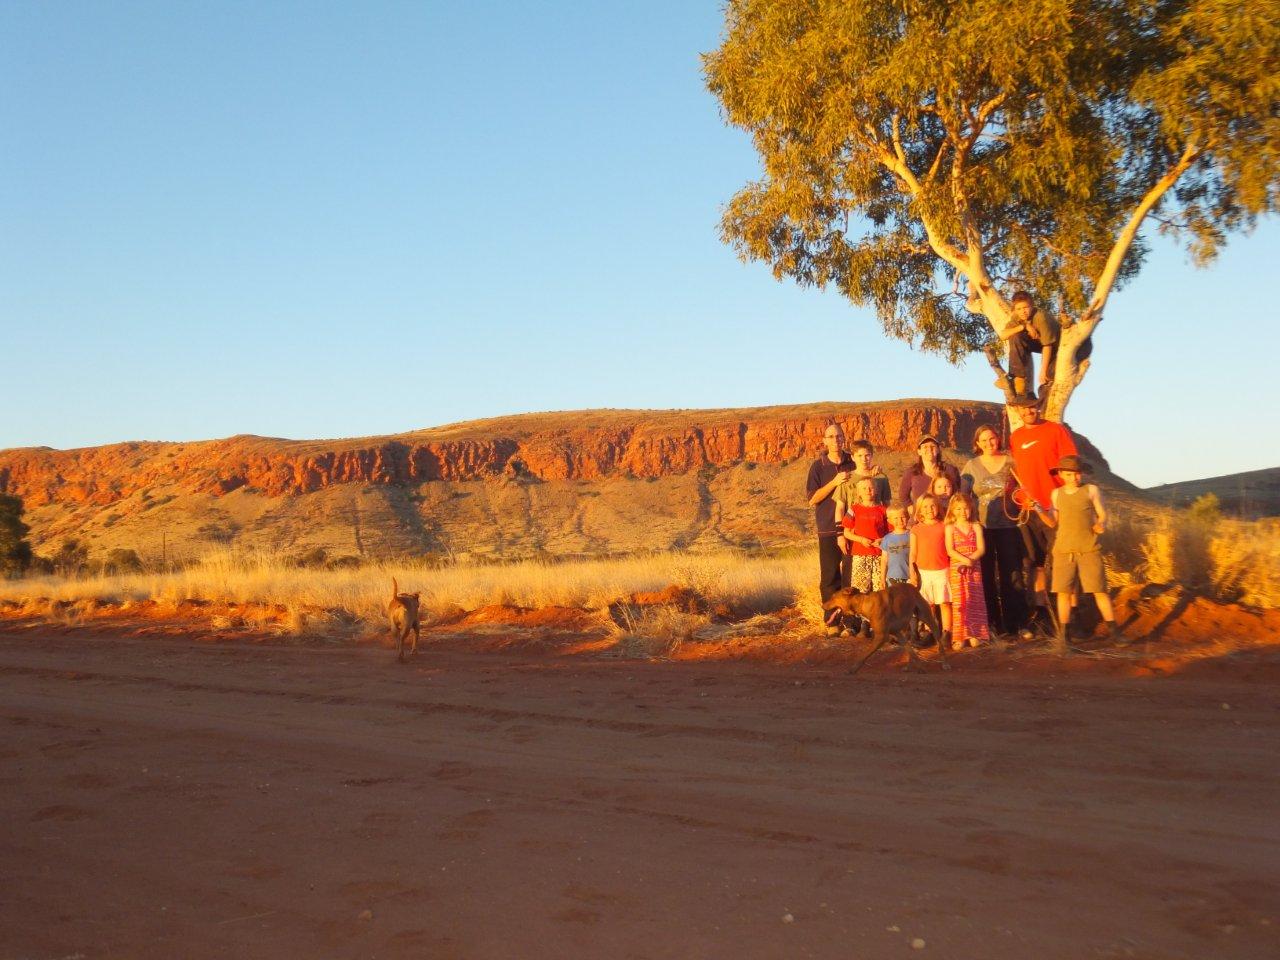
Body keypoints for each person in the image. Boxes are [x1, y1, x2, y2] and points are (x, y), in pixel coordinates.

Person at [1008, 394, 1078, 627]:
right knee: (1035, 564)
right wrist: (1019, 497)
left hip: (1055, 508)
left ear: (1038, 406)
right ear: (1017, 411)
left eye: (1033, 407)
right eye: (1024, 408)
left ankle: (1073, 615)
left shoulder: (1056, 430)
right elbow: (1017, 475)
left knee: (1065, 561)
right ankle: (1042, 613)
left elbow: (1071, 466)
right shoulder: (1015, 438)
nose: (1029, 411)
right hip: (1030, 511)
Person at [1039, 456, 1118, 653]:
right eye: (1069, 474)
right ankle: (1064, 637)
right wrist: (1038, 509)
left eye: (1076, 473)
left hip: (1088, 548)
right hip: (1063, 550)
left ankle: (1115, 632)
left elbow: (1103, 514)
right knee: (1063, 593)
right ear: (1060, 475)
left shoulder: (1091, 490)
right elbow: (1053, 522)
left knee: (1100, 590)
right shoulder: (1056, 494)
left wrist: (1102, 524)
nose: (1073, 477)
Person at [962, 425, 1028, 636]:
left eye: (991, 438)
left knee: (1013, 574)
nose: (988, 443)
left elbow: (1024, 489)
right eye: (983, 440)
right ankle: (992, 624)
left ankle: (1017, 623)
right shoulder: (971, 466)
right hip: (982, 528)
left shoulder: (1012, 463)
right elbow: (964, 498)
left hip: (1010, 526)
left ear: (997, 439)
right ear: (977, 444)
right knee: (986, 577)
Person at [996, 291, 1094, 400]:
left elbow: (1047, 346)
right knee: (1015, 337)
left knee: (1048, 375)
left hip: (1070, 346)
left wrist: (1042, 372)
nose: (1022, 311)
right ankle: (1020, 384)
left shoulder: (1040, 317)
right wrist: (1024, 327)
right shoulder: (1017, 317)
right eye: (1019, 309)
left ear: (1032, 306)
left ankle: (1042, 400)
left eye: (1025, 307)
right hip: (1048, 345)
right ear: (1015, 309)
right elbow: (1003, 335)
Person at [806, 423, 855, 632]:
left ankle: (851, 623)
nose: (836, 440)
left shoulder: (853, 463)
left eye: (839, 436)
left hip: (853, 530)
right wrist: (834, 482)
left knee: (851, 577)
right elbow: (812, 499)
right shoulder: (818, 467)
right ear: (824, 441)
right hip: (827, 529)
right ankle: (832, 623)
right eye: (831, 436)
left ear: (844, 439)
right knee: (829, 578)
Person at [945, 493, 989, 649]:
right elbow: (950, 550)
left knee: (974, 599)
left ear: (971, 509)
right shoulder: (950, 528)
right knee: (960, 601)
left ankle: (975, 633)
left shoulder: (976, 526)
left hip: (974, 569)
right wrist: (965, 561)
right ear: (952, 510)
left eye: (965, 508)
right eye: (958, 509)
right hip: (958, 569)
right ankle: (959, 636)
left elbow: (981, 548)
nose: (962, 512)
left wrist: (971, 560)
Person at [908, 494, 952, 647]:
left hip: (942, 569)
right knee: (928, 605)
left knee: (945, 602)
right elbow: (913, 553)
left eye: (932, 506)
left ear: (938, 507)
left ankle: (947, 632)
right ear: (919, 510)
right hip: (923, 572)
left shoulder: (944, 526)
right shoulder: (916, 529)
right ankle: (930, 632)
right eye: (925, 507)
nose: (929, 510)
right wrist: (912, 573)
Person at [837, 478, 888, 595]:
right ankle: (860, 614)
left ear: (876, 490)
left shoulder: (883, 510)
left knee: (879, 590)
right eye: (864, 488)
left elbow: (889, 533)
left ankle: (878, 613)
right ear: (858, 492)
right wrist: (861, 540)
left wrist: (882, 540)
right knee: (860, 591)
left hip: (879, 555)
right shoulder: (854, 509)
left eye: (871, 488)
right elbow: (846, 532)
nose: (868, 490)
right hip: (860, 554)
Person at [898, 435, 962, 508]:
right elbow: (903, 497)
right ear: (919, 451)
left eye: (933, 446)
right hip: (922, 516)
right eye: (925, 447)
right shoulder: (911, 472)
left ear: (938, 449)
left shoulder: (950, 470)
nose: (929, 449)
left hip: (946, 515)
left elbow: (957, 493)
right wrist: (911, 508)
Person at [836, 439, 893, 506]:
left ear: (872, 455)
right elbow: (840, 507)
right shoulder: (846, 478)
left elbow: (887, 504)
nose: (864, 459)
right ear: (853, 457)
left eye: (867, 455)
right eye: (859, 456)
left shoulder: (881, 478)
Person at [880, 503, 912, 586]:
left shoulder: (912, 535)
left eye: (903, 517)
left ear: (908, 517)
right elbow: (884, 560)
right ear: (889, 520)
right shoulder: (887, 538)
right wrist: (882, 578)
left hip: (910, 577)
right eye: (896, 518)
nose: (900, 521)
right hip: (892, 577)